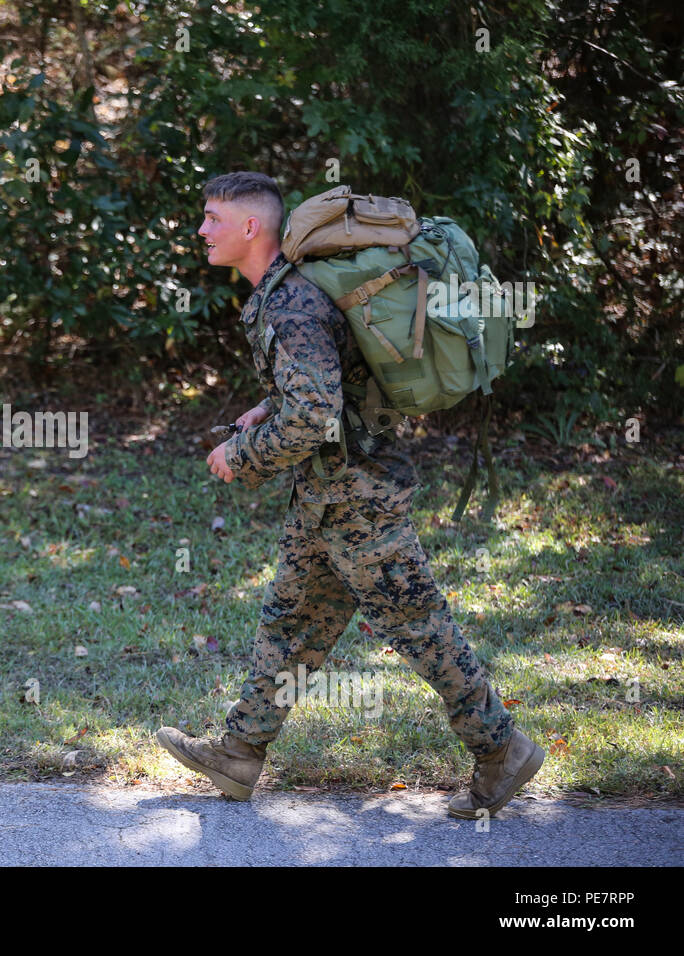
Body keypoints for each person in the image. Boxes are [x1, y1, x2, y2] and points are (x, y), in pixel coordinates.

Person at [155, 171, 543, 819]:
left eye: (213, 218)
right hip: (331, 496)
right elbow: (331, 376)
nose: (202, 230)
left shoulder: (290, 301)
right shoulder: (295, 292)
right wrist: (263, 407)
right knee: (291, 624)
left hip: (361, 498)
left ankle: (502, 750)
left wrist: (240, 456)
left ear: (251, 227)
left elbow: (312, 416)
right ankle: (239, 752)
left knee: (419, 628)